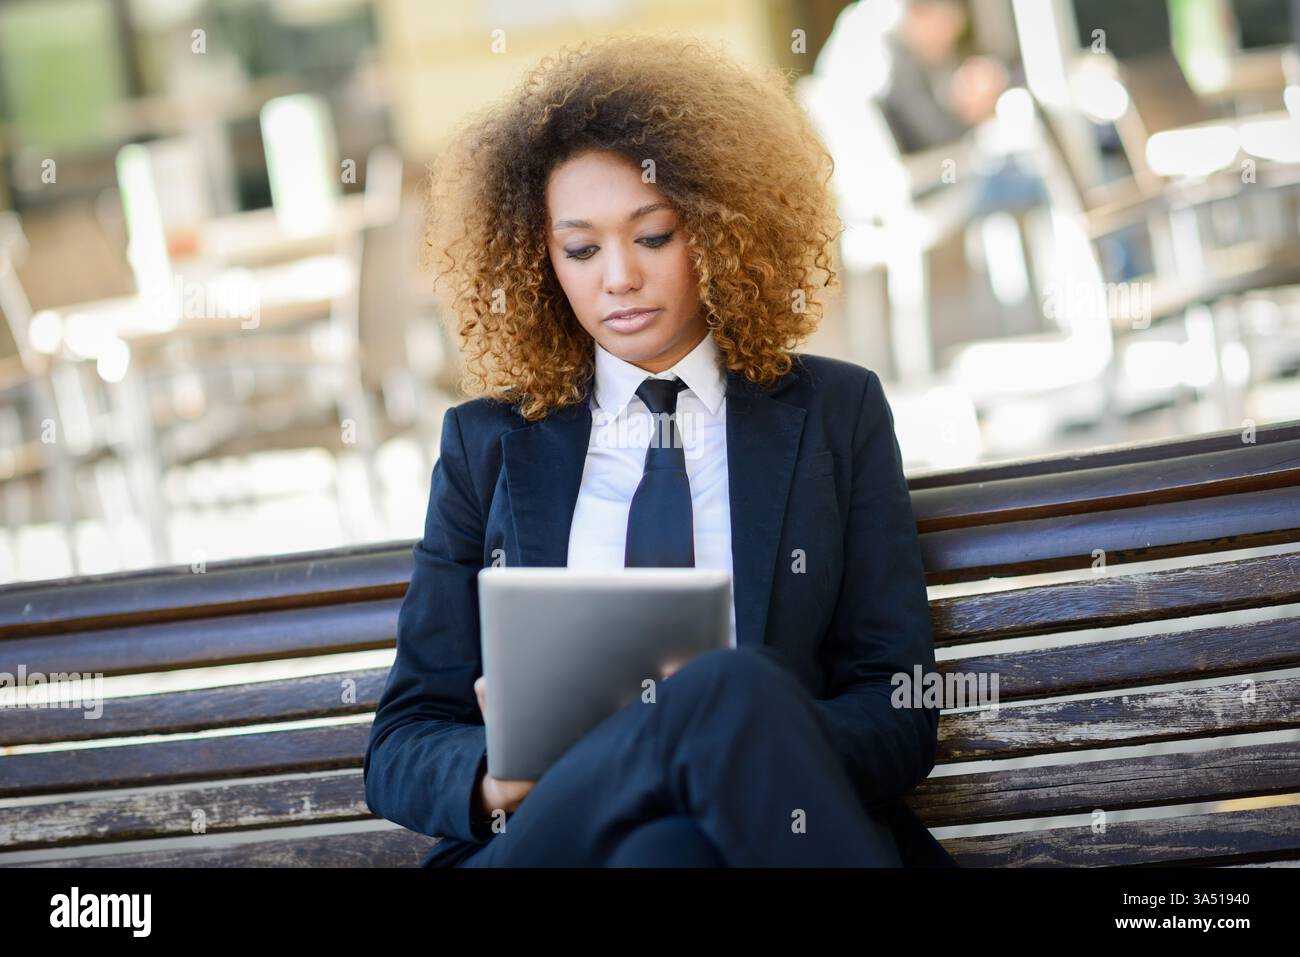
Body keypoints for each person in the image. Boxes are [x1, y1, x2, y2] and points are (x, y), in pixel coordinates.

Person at [362, 34, 956, 868]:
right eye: (581, 248)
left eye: (652, 237)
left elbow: (898, 713)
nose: (618, 278)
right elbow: (400, 746)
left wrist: (727, 737)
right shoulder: (487, 444)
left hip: (734, 841)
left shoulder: (835, 414)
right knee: (722, 694)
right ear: (540, 261)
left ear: (719, 230)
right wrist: (500, 774)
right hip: (546, 838)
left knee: (671, 844)